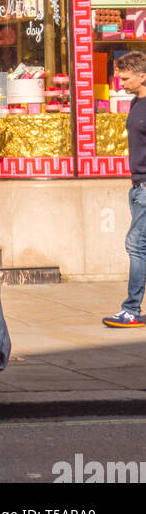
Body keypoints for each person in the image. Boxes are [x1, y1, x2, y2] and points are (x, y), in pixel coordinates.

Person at [103, 51, 146, 327]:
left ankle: (131, 308)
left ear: (143, 76)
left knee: (136, 245)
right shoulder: (134, 104)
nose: (121, 83)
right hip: (137, 185)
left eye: (126, 78)